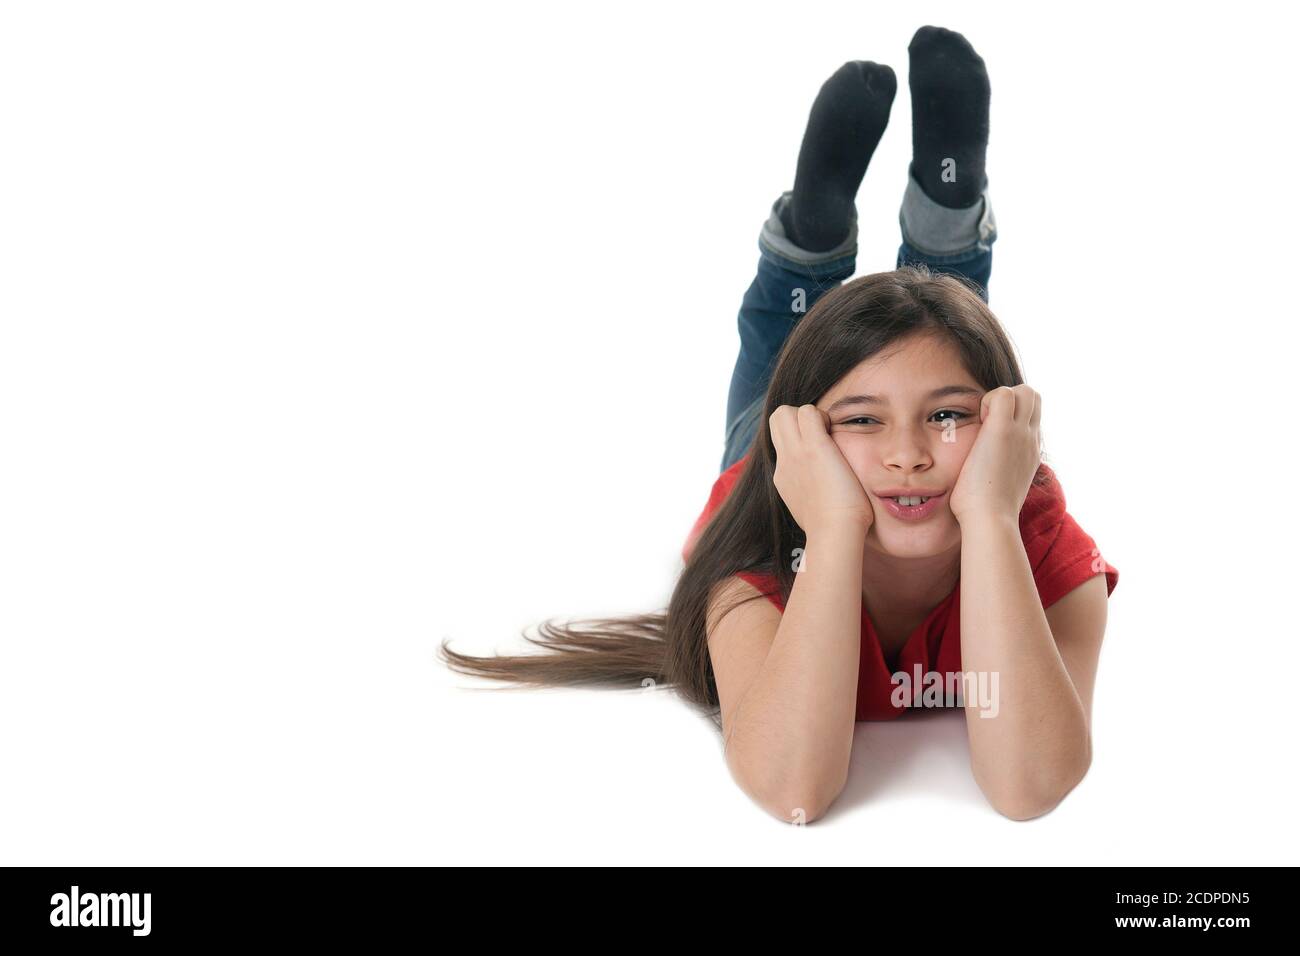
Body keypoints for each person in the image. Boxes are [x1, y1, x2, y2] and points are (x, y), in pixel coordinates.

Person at [440, 26, 1119, 824]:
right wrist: (829, 525)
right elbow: (795, 792)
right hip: (772, 472)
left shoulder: (1037, 541)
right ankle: (822, 229)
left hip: (866, 453)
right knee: (794, 343)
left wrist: (994, 519)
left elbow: (1030, 788)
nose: (906, 456)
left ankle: (920, 217)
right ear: (811, 437)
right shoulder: (757, 551)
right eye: (863, 420)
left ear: (1010, 427)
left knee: (942, 333)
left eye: (950, 418)